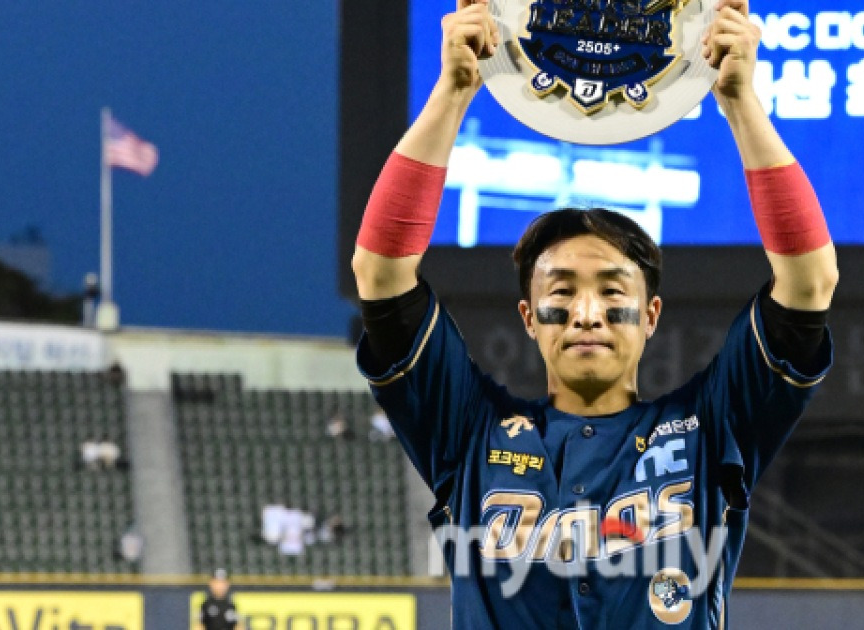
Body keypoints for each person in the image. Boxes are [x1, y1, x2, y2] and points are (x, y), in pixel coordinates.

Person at [351, 0, 837, 627]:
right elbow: (379, 273)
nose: (587, 312)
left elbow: (810, 280)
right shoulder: (467, 429)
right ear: (528, 316)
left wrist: (741, 103)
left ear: (651, 313)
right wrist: (451, 92)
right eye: (561, 292)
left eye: (613, 292)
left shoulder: (710, 426)